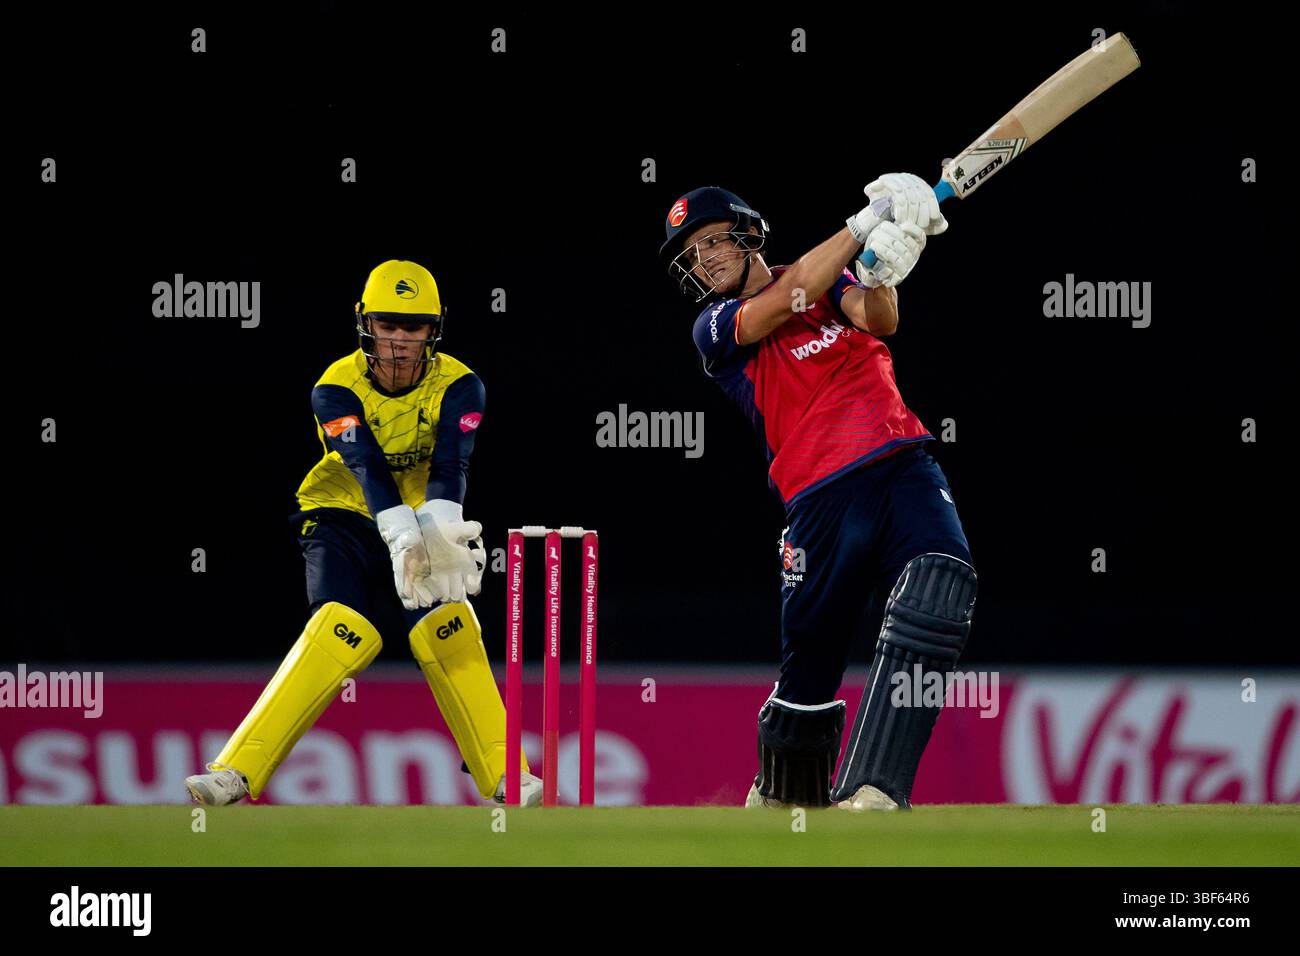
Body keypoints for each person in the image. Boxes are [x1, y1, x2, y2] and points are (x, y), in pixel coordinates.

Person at [659, 181, 977, 810]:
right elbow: (778, 303)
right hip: (820, 499)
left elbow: (878, 319)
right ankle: (782, 794)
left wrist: (886, 267)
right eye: (693, 253)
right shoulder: (713, 328)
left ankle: (877, 788)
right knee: (811, 663)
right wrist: (863, 225)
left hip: (899, 461)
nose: (706, 259)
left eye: (714, 239)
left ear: (749, 232)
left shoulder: (825, 278)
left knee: (943, 584)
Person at [185, 259, 542, 807]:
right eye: (388, 325)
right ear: (365, 323)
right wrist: (399, 532)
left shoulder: (462, 385)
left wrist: (440, 528)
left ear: (434, 329)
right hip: (340, 513)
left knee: (449, 623)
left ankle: (508, 778)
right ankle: (234, 771)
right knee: (337, 627)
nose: (399, 341)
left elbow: (452, 465)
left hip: (422, 517)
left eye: (413, 327)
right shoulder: (334, 388)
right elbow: (368, 466)